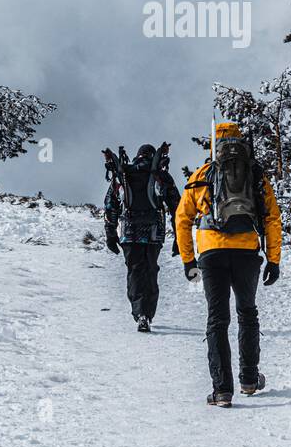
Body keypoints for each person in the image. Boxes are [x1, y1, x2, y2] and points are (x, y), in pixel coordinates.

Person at [176, 122, 281, 406]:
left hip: (212, 253)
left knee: (217, 319)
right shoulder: (255, 173)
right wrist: (273, 259)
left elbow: (182, 219)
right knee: (247, 313)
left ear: (215, 144)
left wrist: (188, 259)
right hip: (247, 251)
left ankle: (222, 389)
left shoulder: (202, 174)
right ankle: (249, 379)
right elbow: (271, 217)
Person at [104, 143, 181, 333]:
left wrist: (110, 233)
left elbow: (110, 205)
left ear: (137, 156)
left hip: (129, 232)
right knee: (151, 270)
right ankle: (148, 313)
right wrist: (180, 237)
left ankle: (140, 314)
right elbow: (177, 208)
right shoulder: (160, 175)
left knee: (135, 271)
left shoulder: (124, 174)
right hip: (154, 232)